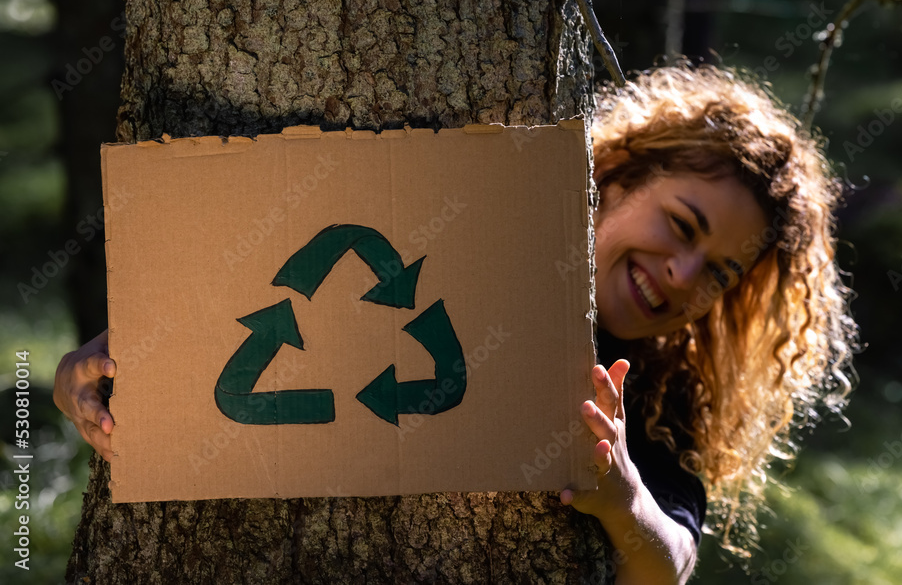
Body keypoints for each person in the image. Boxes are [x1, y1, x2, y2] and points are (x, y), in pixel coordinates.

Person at [54, 64, 858, 584]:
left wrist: (624, 496)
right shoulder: (462, 239)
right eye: (682, 225)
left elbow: (671, 562)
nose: (683, 275)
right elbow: (227, 337)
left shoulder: (654, 393)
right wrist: (82, 377)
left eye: (717, 271)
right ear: (614, 177)